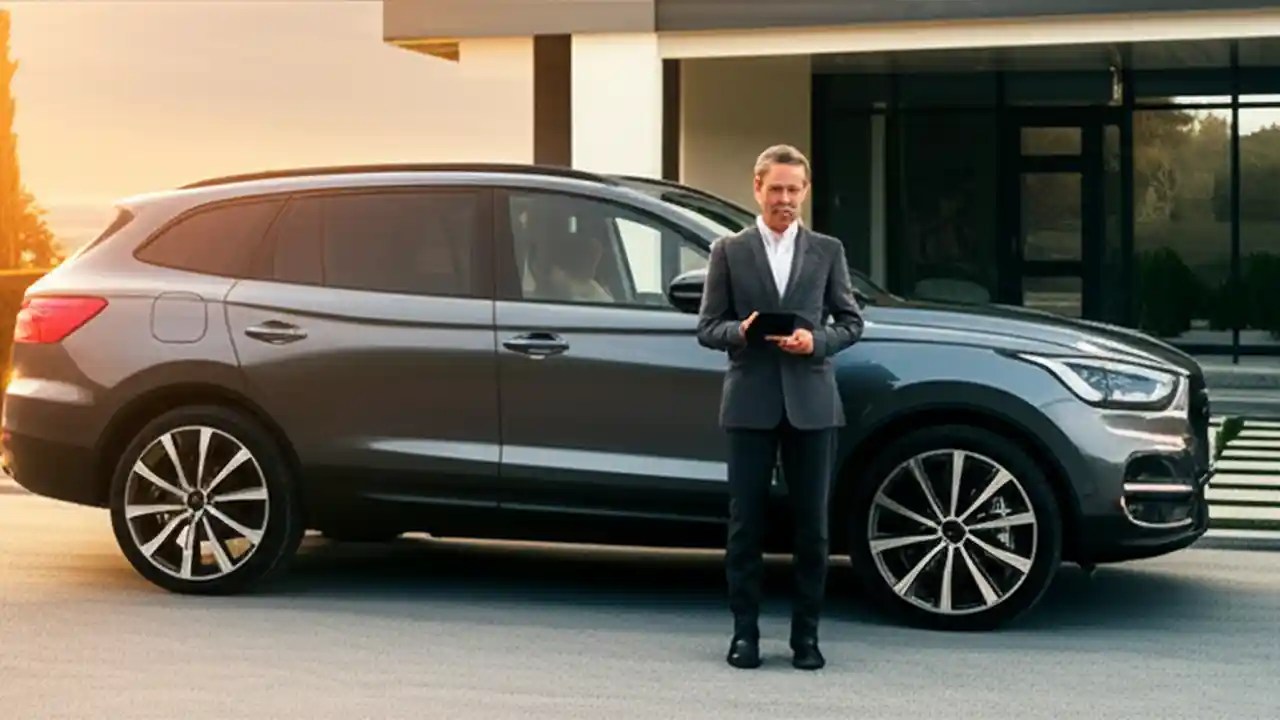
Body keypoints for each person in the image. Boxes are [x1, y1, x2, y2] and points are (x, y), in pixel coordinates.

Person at [696, 144, 864, 671]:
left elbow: (851, 322)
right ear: (757, 188)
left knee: (813, 528)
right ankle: (744, 635)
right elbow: (708, 328)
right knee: (745, 525)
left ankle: (805, 638)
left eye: (794, 190)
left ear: (805, 192)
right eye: (776, 189)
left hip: (812, 402)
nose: (785, 199)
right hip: (750, 400)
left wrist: (817, 342)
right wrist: (741, 332)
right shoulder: (729, 251)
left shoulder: (827, 250)